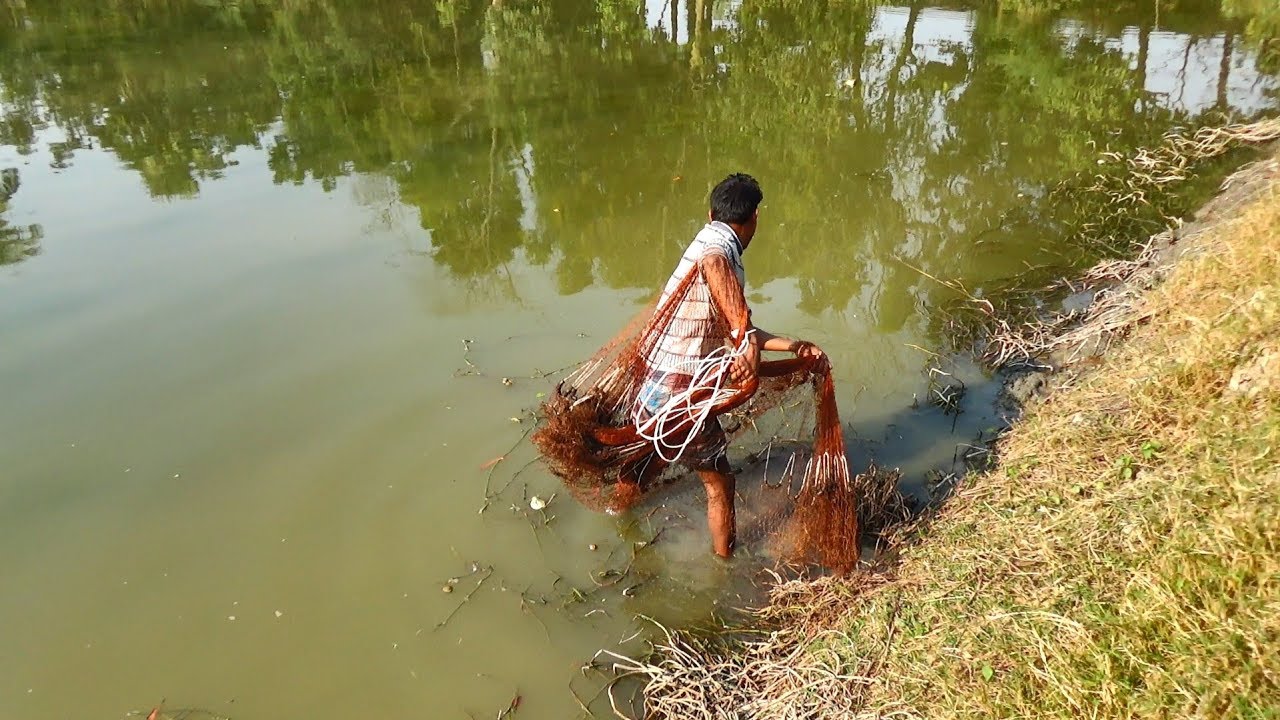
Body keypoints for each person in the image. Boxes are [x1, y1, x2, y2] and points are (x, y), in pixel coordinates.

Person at [625, 173, 828, 558]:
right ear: (754, 218)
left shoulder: (705, 236)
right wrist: (742, 336)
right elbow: (717, 270)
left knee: (646, 461)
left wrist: (794, 346)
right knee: (720, 485)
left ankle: (621, 517)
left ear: (711, 212)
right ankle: (724, 565)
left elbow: (743, 327)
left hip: (653, 385)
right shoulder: (719, 250)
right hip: (679, 395)